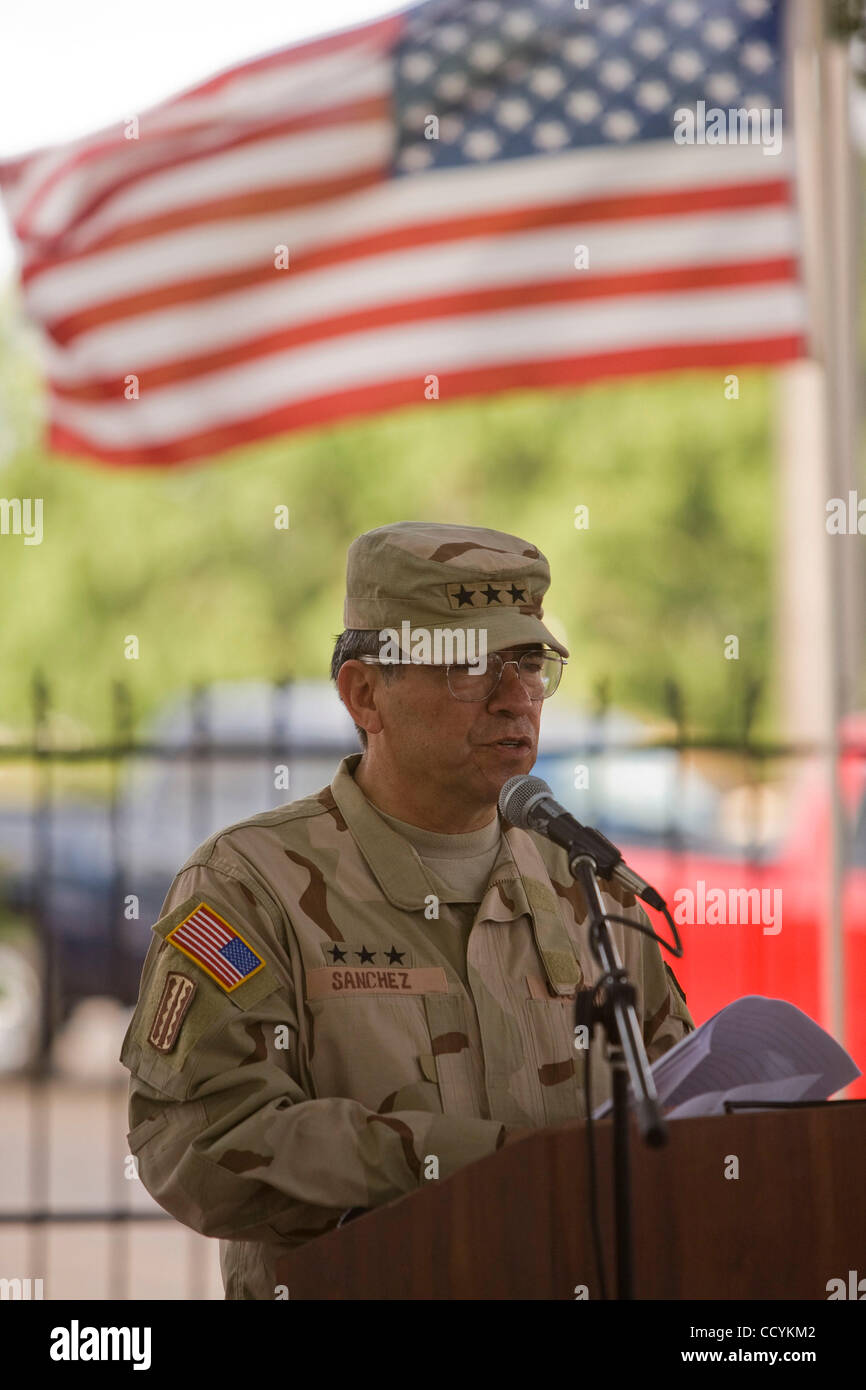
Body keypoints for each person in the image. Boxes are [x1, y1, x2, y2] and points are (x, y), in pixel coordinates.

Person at [120, 521, 694, 1300]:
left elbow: (684, 1121)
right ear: (365, 693)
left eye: (529, 664)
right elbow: (196, 1145)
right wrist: (478, 1166)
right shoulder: (250, 886)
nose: (514, 699)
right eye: (469, 666)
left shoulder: (588, 886)